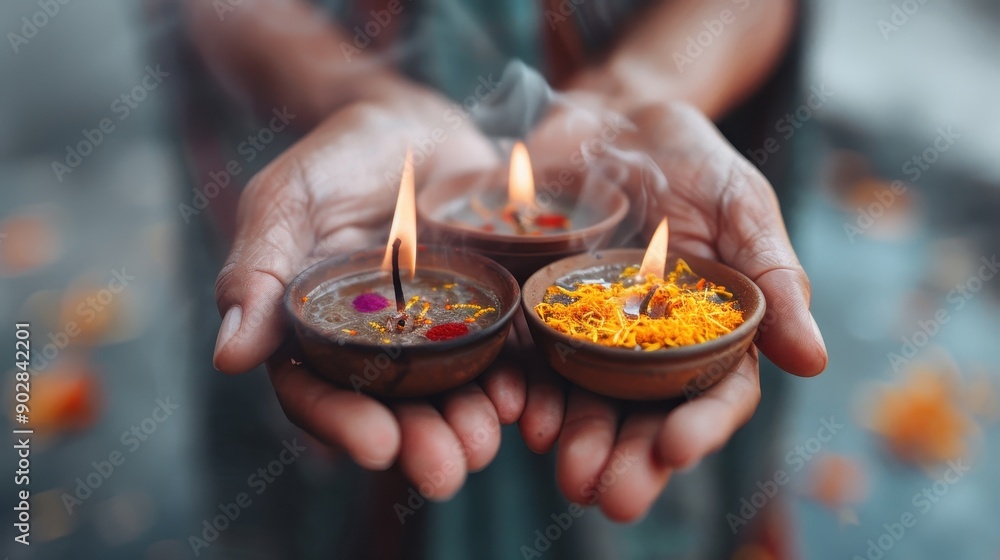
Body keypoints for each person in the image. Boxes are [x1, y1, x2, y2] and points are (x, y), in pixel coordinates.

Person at [187, 0, 826, 555]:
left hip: (683, 78)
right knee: (308, 500)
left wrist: (638, 94)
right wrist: (352, 93)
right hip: (283, 118)